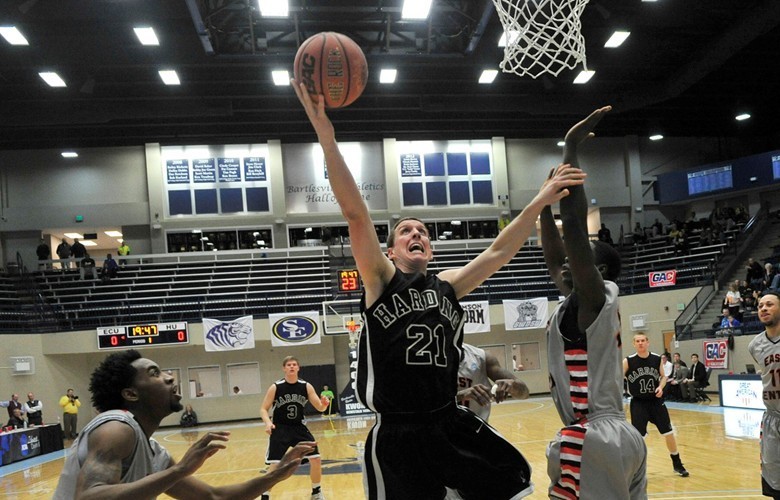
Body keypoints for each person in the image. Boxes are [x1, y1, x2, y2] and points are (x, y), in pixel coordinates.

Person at [292, 79, 586, 499]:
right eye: (405, 231)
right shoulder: (381, 280)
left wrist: (540, 200)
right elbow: (356, 215)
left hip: (447, 421)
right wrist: (326, 135)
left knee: (513, 481)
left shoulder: (447, 286)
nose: (416, 233)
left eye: (423, 231)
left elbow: (499, 251)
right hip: (398, 431)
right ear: (391, 250)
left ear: (430, 248)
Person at [539, 106, 647, 498]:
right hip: (621, 438)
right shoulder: (580, 304)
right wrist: (544, 205)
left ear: (598, 270)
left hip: (595, 437)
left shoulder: (595, 297)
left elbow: (573, 240)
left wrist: (570, 149)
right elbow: (555, 256)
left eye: (580, 260)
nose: (568, 263)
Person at [53, 350, 312, 499]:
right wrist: (181, 470)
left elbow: (214, 498)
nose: (169, 377)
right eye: (155, 374)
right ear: (131, 394)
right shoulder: (117, 427)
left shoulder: (153, 452)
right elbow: (88, 498)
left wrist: (275, 474)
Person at [260, 356, 330, 500]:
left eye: (294, 364)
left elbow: (319, 407)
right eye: (288, 365)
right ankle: (265, 495)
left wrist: (324, 404)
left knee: (316, 459)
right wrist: (268, 423)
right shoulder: (276, 386)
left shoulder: (306, 386)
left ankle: (316, 492)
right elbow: (263, 409)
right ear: (284, 368)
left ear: (298, 368)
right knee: (275, 465)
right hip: (280, 429)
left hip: (299, 428)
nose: (291, 367)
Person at [624, 333, 689, 477]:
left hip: (655, 401)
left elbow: (663, 376)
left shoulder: (656, 358)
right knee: (638, 437)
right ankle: (635, 469)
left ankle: (677, 464)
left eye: (643, 340)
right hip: (638, 402)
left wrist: (660, 387)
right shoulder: (628, 361)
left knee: (669, 433)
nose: (640, 343)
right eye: (637, 341)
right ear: (634, 344)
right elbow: (617, 378)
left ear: (648, 342)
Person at [748, 291, 780, 499]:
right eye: (760, 306)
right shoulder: (755, 346)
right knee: (774, 478)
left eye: (769, 304)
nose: (764, 309)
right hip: (772, 418)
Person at [456, 343, 529, 421]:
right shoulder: (441, 365)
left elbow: (524, 394)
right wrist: (460, 396)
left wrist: (513, 386)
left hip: (475, 429)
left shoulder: (480, 357)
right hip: (443, 429)